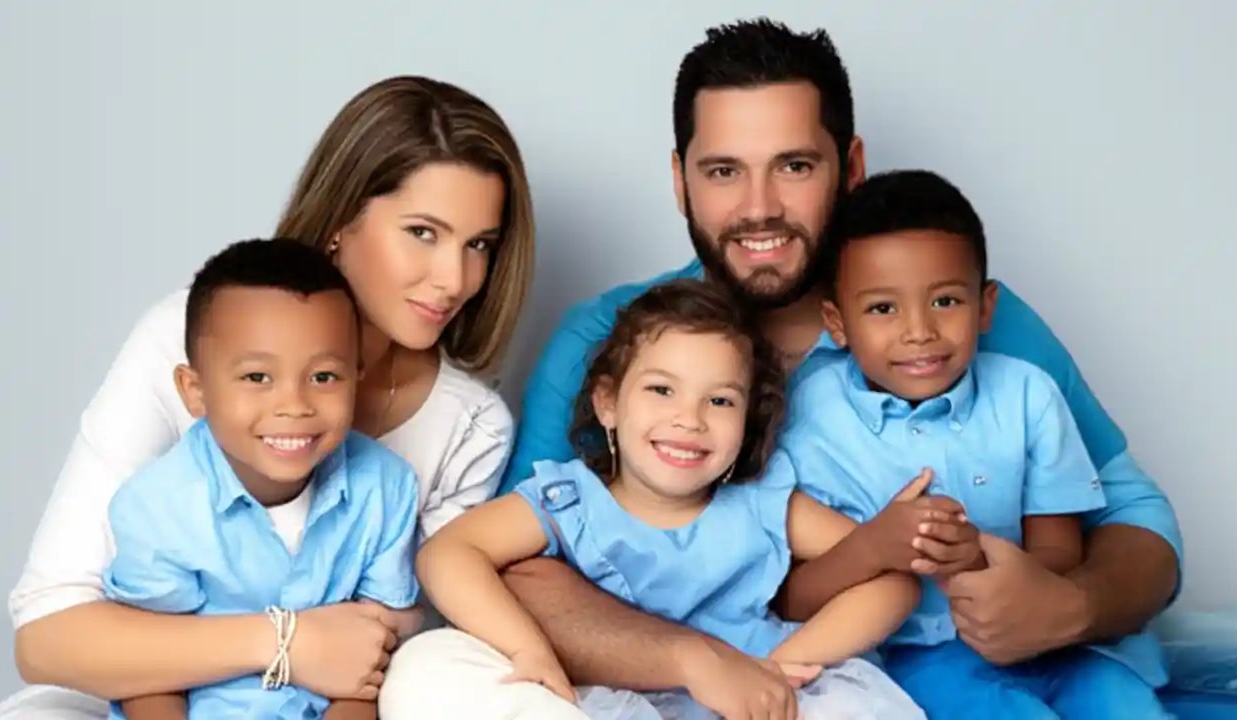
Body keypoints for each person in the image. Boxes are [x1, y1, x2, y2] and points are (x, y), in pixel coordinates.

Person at [409, 16, 1179, 717]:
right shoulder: (606, 339)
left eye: (795, 166)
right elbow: (522, 565)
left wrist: (1071, 608)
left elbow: (1137, 519)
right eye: (723, 171)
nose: (760, 208)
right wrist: (701, 661)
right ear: (679, 179)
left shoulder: (959, 320)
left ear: (851, 167)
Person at [0, 74, 534, 719]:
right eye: (423, 232)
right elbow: (48, 634)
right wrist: (286, 642)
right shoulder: (186, 338)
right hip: (145, 693)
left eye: (479, 245)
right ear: (341, 222)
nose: (454, 279)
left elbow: (399, 641)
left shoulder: (470, 425)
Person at [412, 279, 927, 720]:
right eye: (661, 390)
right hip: (622, 701)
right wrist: (528, 648)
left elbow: (891, 580)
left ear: (748, 423)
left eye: (720, 400)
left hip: (763, 699)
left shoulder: (761, 503)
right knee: (441, 665)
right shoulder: (569, 501)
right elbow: (448, 553)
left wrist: (781, 667)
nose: (689, 419)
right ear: (608, 404)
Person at [775, 168, 1170, 718]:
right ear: (837, 323)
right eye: (883, 308)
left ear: (985, 307)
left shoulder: (1027, 395)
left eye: (945, 301)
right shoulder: (812, 419)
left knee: (1121, 705)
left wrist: (980, 561)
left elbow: (1061, 553)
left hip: (1050, 641)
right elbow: (791, 599)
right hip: (921, 657)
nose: (919, 331)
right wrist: (872, 547)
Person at [104, 238, 421, 720]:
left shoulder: (385, 487)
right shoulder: (156, 506)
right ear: (195, 391)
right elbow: (148, 673)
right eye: (257, 378)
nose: (293, 405)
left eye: (324, 377)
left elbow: (369, 664)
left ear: (357, 377)